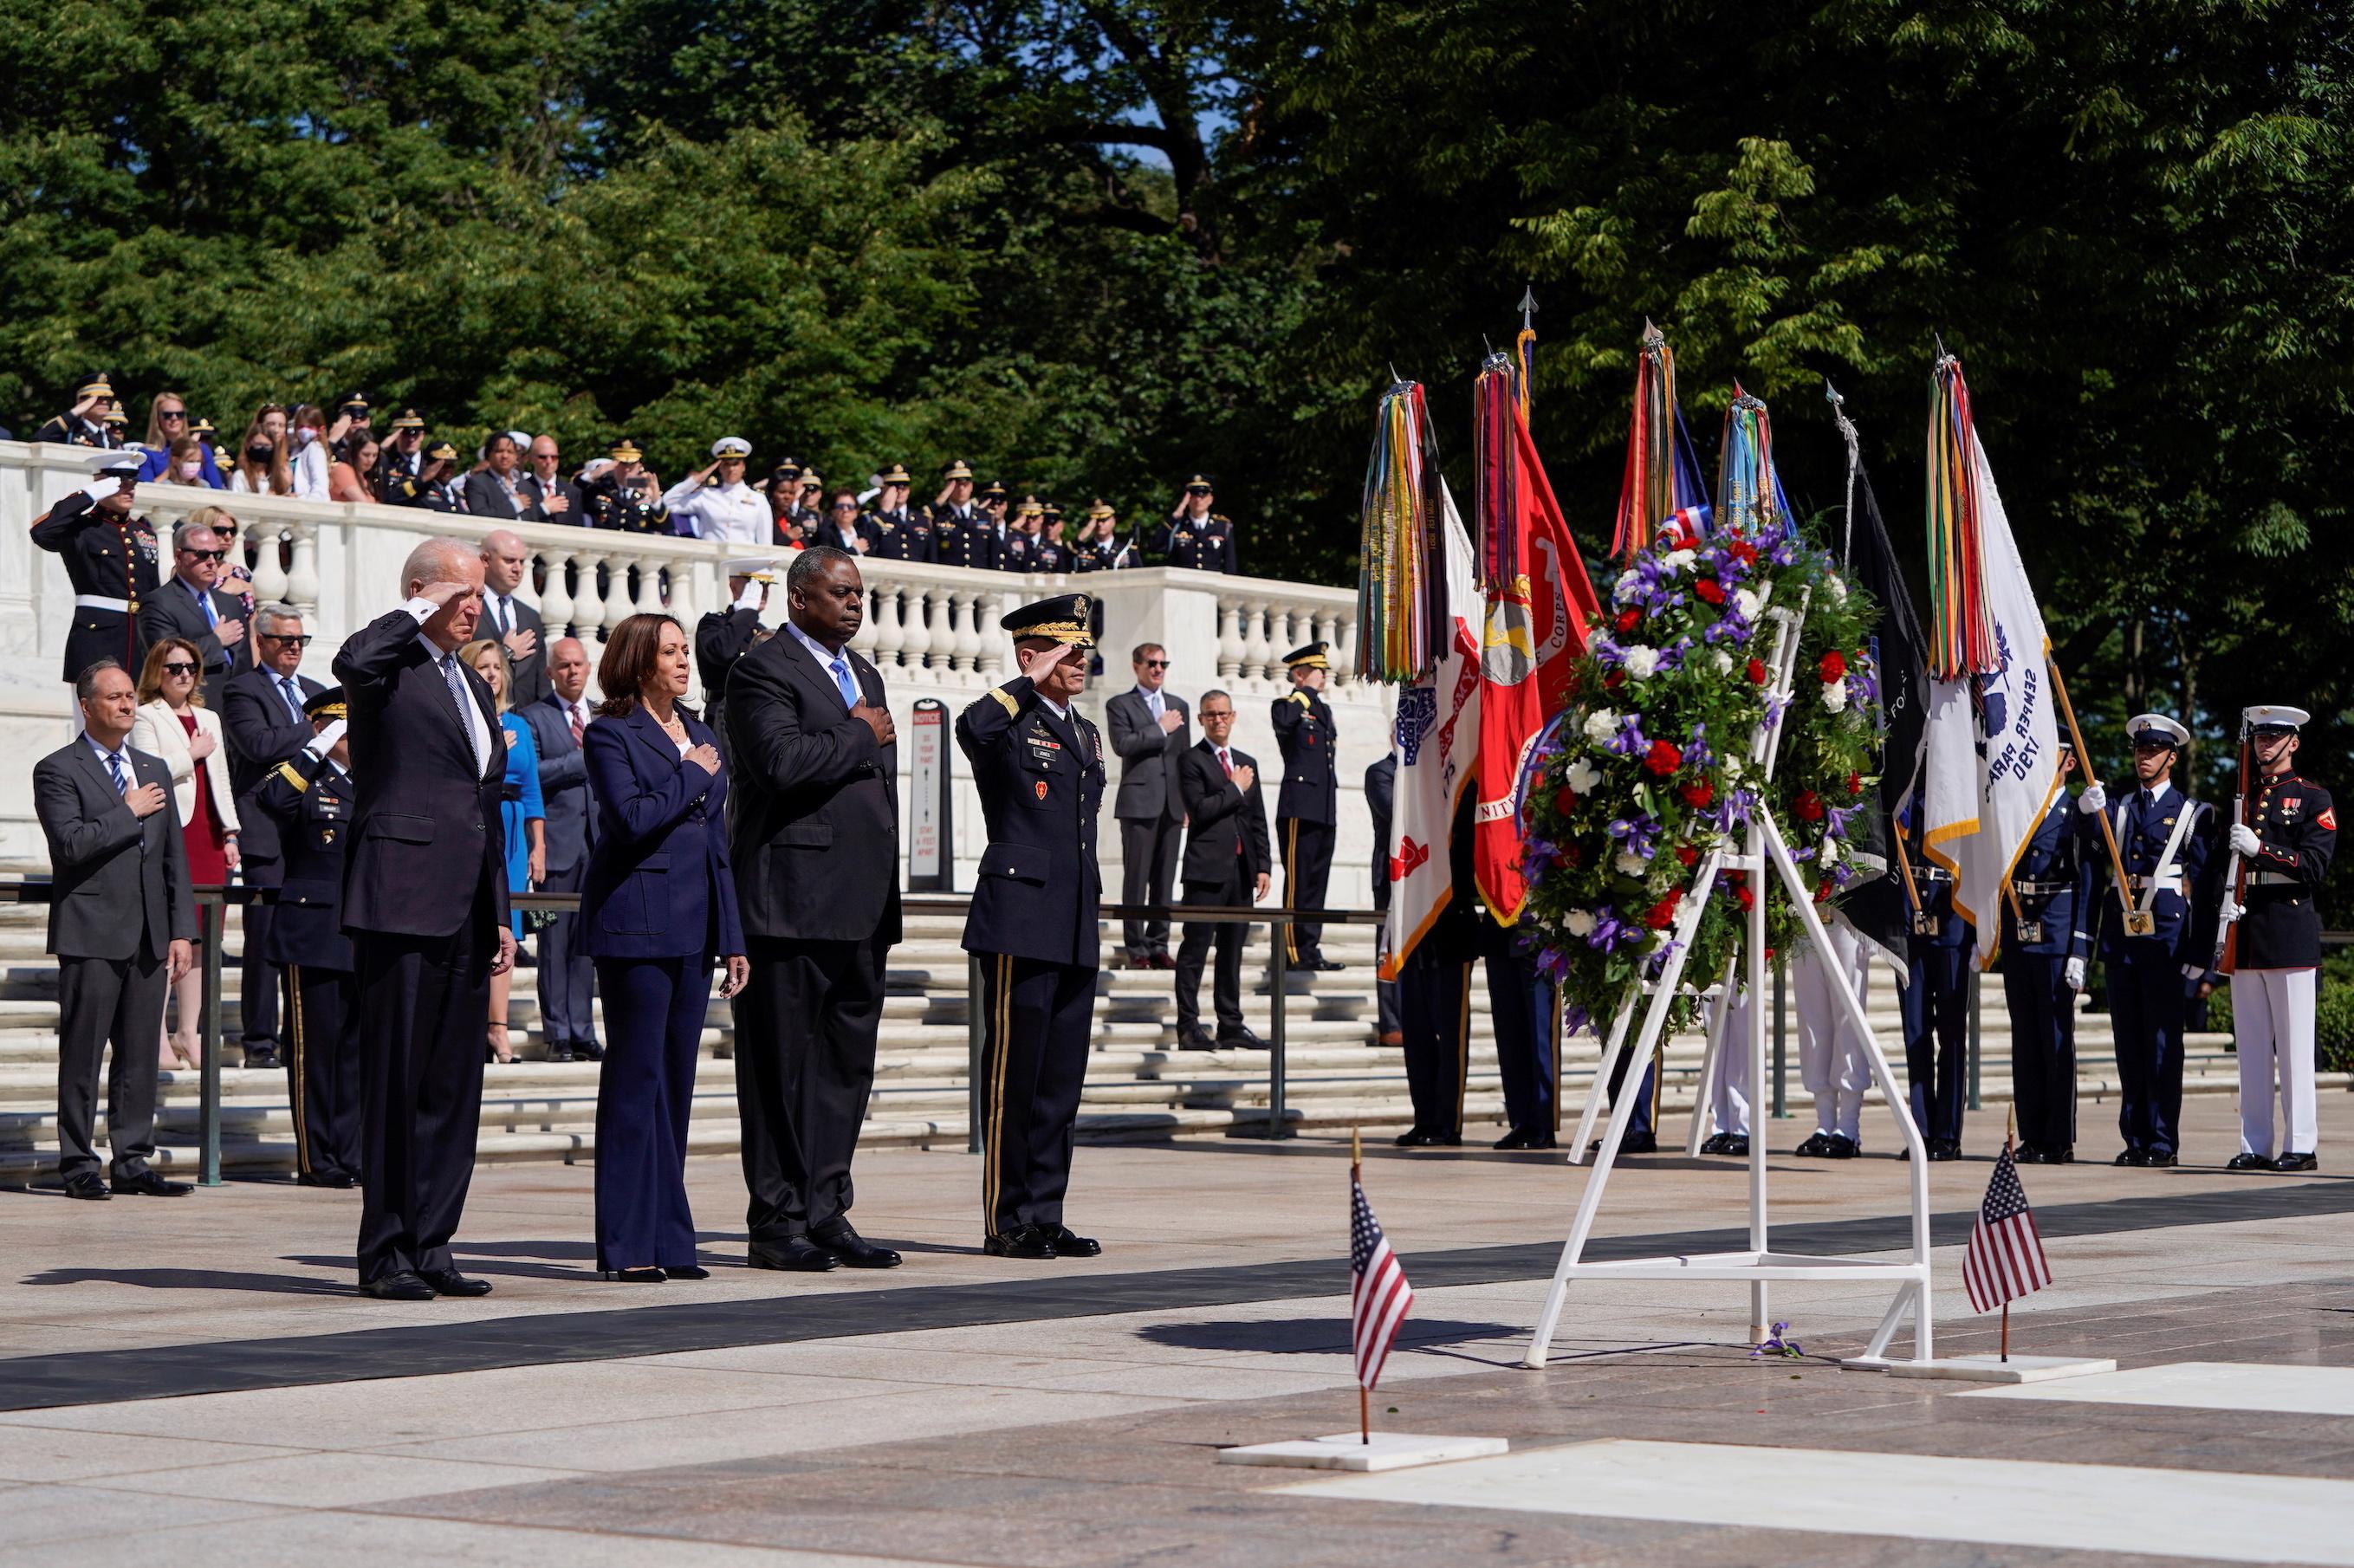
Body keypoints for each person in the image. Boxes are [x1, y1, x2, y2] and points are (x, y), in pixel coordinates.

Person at [331, 535, 514, 1300]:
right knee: (396, 1081)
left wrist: (499, 911)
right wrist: (413, 612)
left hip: (466, 905)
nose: (475, 607)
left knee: (451, 1087)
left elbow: (482, 804)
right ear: (420, 592)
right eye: (459, 593)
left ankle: (433, 1242)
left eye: (479, 594)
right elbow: (350, 662)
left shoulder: (470, 681)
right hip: (401, 899)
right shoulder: (389, 663)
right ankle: (386, 1253)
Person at [724, 547, 905, 1271]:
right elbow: (780, 764)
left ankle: (826, 1209)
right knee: (779, 1070)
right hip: (790, 903)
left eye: (859, 593)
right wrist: (859, 733)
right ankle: (776, 1221)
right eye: (840, 592)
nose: (855, 603)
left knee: (843, 1070)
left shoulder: (863, 673)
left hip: (862, 903)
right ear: (800, 599)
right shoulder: (761, 669)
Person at [580, 612, 747, 1280]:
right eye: (669, 651)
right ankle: (625, 1246)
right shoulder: (610, 733)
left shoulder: (700, 732)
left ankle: (671, 1241)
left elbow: (715, 845)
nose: (683, 661)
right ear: (638, 661)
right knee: (634, 1083)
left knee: (675, 1086)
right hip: (635, 925)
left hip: (694, 928)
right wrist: (689, 774)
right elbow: (631, 820)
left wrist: (731, 936)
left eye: (684, 651)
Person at [957, 593, 1106, 1259]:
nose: (1079, 661)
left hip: (1072, 919)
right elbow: (971, 727)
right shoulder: (1009, 722)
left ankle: (1046, 1211)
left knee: (1058, 1081)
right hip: (1020, 919)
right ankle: (1006, 1217)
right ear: (1031, 655)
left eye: (1082, 651)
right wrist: (1026, 679)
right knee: (1013, 1077)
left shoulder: (1086, 732)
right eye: (1064, 651)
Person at [35, 660, 197, 1200]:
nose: (127, 704)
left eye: (130, 695)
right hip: (92, 932)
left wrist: (182, 930)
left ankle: (131, 1160)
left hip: (150, 934)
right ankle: (78, 1163)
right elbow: (71, 845)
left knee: (139, 1057)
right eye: (114, 697)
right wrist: (128, 811)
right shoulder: (58, 769)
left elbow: (173, 856)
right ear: (87, 706)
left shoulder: (152, 767)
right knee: (83, 1054)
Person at [2079, 711, 2210, 1169]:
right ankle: (2135, 1136)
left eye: (2153, 751)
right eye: (2140, 749)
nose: (2144, 757)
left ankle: (2162, 1140)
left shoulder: (2191, 812)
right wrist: (2087, 814)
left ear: (2171, 757)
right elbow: (2091, 852)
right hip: (2123, 935)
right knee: (2128, 1041)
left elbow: (2206, 886)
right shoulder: (2117, 806)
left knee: (2162, 1042)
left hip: (2167, 938)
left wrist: (2201, 953)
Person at [250, 688, 365, 1188]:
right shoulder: (304, 778)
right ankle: (317, 1157)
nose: (357, 739)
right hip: (312, 933)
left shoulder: (373, 782)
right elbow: (272, 800)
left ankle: (352, 1153)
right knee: (313, 1053)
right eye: (346, 729)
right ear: (324, 728)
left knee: (355, 1052)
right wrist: (314, 748)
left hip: (361, 931)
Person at [2217, 704, 2334, 1173]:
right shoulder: (2243, 798)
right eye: (2260, 737)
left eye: (2274, 737)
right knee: (2251, 1050)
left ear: (2293, 743)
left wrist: (2261, 849)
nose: (2264, 745)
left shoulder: (2312, 798)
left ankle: (2301, 1144)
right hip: (2247, 931)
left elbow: (2313, 866)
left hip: (2288, 931)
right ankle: (2256, 1143)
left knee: (2294, 1048)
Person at [219, 604, 325, 1074]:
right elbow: (258, 745)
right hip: (267, 832)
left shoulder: (318, 692)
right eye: (286, 640)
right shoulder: (242, 689)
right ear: (261, 642)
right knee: (263, 942)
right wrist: (317, 731)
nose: (295, 648)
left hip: (315, 830)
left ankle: (303, 1035)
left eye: (301, 640)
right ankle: (260, 1040)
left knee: (309, 938)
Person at [130, 638, 243, 1070]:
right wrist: (190, 754)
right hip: (172, 832)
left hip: (209, 834)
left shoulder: (209, 716)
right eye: (174, 667)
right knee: (168, 937)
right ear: (157, 671)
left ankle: (188, 1032)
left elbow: (221, 779)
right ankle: (157, 1035)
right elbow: (148, 770)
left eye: (191, 667)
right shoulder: (146, 715)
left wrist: (231, 832)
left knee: (202, 939)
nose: (184, 674)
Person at [2001, 738, 2098, 1163]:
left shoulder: (2077, 813)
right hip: (2020, 929)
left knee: (2055, 1037)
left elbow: (2089, 881)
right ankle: (2033, 1133)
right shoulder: (2017, 807)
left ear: (2070, 763)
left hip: (2057, 930)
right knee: (2025, 1038)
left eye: (2053, 752)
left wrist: (2080, 945)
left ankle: (2058, 1138)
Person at [460, 638, 545, 1065]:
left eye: (497, 667)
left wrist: (538, 845)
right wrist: (495, 748)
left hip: (511, 832)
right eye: (483, 666)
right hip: (472, 824)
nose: (492, 673)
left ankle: (498, 1026)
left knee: (505, 928)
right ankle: (470, 1026)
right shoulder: (461, 718)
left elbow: (532, 790)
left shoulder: (519, 725)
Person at [1173, 690, 1269, 1050]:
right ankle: (1188, 1026)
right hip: (1206, 871)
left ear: (1233, 716)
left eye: (1223, 714)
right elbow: (1200, 810)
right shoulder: (1191, 760)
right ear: (1201, 719)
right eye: (1211, 714)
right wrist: (1234, 788)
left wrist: (1263, 866)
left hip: (1241, 872)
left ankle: (1230, 1024)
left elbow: (1257, 820)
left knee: (1232, 952)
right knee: (1195, 951)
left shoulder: (1246, 762)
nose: (1218, 720)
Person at [520, 638, 601, 1064]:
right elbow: (529, 774)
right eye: (563, 666)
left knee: (586, 945)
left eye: (578, 664)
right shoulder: (533, 717)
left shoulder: (604, 716)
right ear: (550, 672)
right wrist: (580, 759)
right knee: (552, 944)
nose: (572, 672)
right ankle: (558, 1034)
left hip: (598, 846)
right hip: (554, 848)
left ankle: (584, 1031)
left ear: (589, 668)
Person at [32, 451, 160, 687]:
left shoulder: (144, 533)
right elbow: (41, 532)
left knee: (136, 709)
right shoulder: (81, 529)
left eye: (133, 483)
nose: (129, 489)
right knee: (93, 708)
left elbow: (153, 592)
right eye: (121, 483)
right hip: (96, 638)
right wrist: (87, 495)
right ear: (102, 483)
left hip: (139, 641)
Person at [1894, 795, 1975, 1159]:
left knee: (1952, 1033)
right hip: (1911, 920)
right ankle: (1921, 1130)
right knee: (1915, 1031)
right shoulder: (1907, 792)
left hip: (1953, 918)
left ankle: (1948, 1134)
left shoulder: (1960, 788)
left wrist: (1978, 930)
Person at [1105, 643, 1190, 969]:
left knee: (1165, 881)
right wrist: (1159, 729)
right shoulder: (1120, 704)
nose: (1158, 669)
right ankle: (1136, 947)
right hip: (1139, 803)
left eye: (1163, 664)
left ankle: (1159, 944)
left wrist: (1188, 802)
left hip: (1173, 804)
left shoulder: (1178, 705)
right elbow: (1122, 745)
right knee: (1137, 879)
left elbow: (1183, 759)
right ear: (1136, 666)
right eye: (1152, 663)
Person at [1271, 642, 1340, 970]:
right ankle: (1292, 950)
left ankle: (1310, 948)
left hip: (1323, 807)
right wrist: (1304, 693)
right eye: (1317, 671)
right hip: (1299, 807)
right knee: (1298, 882)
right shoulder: (1288, 706)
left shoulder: (1323, 711)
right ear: (1300, 674)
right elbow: (1284, 722)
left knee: (1317, 882)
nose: (1324, 676)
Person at [1791, 916, 1874, 1158]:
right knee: (1812, 1022)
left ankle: (1849, 1126)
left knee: (1849, 1018)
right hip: (1804, 916)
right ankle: (1825, 1123)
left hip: (1847, 916)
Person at [138, 519, 248, 682]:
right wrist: (217, 641)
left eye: (217, 555)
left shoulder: (231, 603)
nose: (212, 562)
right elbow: (166, 657)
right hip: (192, 694)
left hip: (237, 695)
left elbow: (244, 662)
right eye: (203, 555)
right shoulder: (158, 603)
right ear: (179, 556)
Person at [696, 563, 773, 767]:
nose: (763, 591)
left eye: (766, 586)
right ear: (734, 586)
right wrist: (746, 612)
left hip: (757, 718)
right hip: (722, 717)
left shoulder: (762, 630)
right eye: (755, 584)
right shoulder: (713, 623)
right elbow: (722, 651)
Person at [477, 530, 550, 708]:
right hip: (482, 712)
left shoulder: (531, 616)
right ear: (485, 560)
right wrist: (506, 652)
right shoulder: (469, 608)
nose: (518, 569)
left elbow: (542, 681)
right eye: (509, 560)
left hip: (525, 718)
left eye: (522, 562)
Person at [654, 437, 764, 544]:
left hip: (743, 556)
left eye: (736, 464)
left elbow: (765, 542)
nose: (731, 469)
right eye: (726, 464)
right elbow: (668, 502)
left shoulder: (758, 499)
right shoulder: (706, 495)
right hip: (710, 556)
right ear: (719, 467)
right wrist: (699, 478)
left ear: (743, 466)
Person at [1365, 753, 1402, 1047]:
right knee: (1388, 949)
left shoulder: (1425, 771)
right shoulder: (1380, 772)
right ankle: (1391, 1023)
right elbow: (1395, 813)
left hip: (1422, 873)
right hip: (1390, 874)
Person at [135, 393, 225, 488]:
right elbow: (146, 489)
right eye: (168, 415)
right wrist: (173, 467)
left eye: (179, 414)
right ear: (157, 417)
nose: (174, 418)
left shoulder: (201, 449)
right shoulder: (147, 453)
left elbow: (217, 488)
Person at [583, 438, 668, 532]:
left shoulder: (646, 491)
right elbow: (575, 495)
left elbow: (665, 528)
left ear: (639, 466)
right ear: (614, 464)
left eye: (632, 464)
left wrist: (656, 501)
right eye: (622, 463)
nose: (627, 469)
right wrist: (591, 476)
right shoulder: (600, 488)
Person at [1162, 473, 1237, 573]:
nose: (1198, 499)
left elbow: (1230, 565)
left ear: (1211, 499)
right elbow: (1155, 546)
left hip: (1212, 581)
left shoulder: (1222, 526)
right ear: (1187, 498)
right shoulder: (1178, 525)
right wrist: (1174, 517)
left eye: (1203, 495)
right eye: (1194, 494)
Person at [859, 463, 935, 561]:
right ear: (883, 489)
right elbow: (864, 541)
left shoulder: (921, 519)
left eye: (903, 487)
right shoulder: (872, 517)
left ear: (908, 490)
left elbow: (932, 556)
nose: (899, 491)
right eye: (894, 487)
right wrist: (884, 511)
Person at [36, 373, 123, 448]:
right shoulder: (71, 432)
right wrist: (76, 411)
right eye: (98, 398)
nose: (104, 402)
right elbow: (40, 438)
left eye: (107, 398)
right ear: (81, 401)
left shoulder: (113, 440)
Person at [462, 431, 531, 519]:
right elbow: (480, 516)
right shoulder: (476, 483)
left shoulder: (525, 484)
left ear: (516, 457)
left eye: (510, 452)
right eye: (499, 451)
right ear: (489, 455)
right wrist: (514, 505)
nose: (505, 456)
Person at [228, 406, 292, 496]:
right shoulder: (241, 476)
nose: (276, 430)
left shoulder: (282, 473)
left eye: (281, 425)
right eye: (271, 424)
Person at [385, 440, 463, 510]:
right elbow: (391, 498)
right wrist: (422, 479)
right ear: (428, 464)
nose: (448, 470)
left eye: (452, 465)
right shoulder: (418, 489)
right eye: (443, 465)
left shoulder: (459, 495)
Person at [521, 434, 581, 523]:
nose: (549, 461)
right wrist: (544, 509)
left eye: (554, 457)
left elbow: (578, 527)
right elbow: (519, 520)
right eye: (543, 457)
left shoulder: (572, 492)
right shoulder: (522, 489)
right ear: (531, 458)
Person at [287, 405, 334, 501]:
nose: (304, 430)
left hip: (308, 504)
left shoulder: (315, 448)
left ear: (319, 429)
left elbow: (320, 486)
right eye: (301, 426)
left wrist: (301, 499)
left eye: (309, 427)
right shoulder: (298, 449)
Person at [1071, 502, 1132, 572]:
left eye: (1104, 520)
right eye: (1096, 520)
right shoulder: (1082, 549)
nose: (1099, 524)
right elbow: (1064, 558)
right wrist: (1082, 536)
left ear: (1114, 521)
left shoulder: (1126, 549)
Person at [377, 408, 427, 492]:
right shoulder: (387, 462)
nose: (411, 439)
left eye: (415, 434)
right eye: (405, 434)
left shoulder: (430, 463)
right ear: (396, 435)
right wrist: (380, 450)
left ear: (422, 436)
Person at [328, 433, 380, 503]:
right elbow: (363, 504)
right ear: (354, 453)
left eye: (375, 455)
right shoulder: (342, 470)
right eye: (366, 454)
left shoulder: (364, 478)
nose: (371, 460)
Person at [814, 489, 868, 554]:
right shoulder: (826, 534)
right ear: (833, 511)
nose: (845, 510)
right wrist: (855, 550)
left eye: (850, 506)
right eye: (840, 506)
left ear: (856, 511)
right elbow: (827, 557)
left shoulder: (865, 535)